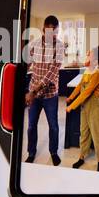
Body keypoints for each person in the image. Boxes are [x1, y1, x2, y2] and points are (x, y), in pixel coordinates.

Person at [24, 14, 63, 165]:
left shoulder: (59, 47)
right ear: (43, 30)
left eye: (55, 32)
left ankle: (53, 152)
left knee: (53, 125)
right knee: (31, 125)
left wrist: (32, 92)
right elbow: (27, 62)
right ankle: (31, 152)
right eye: (50, 32)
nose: (53, 36)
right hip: (33, 92)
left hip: (49, 95)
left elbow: (51, 73)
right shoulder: (34, 44)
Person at [68, 46, 99, 172]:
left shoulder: (96, 74)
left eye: (89, 54)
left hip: (95, 109)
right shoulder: (87, 71)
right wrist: (70, 98)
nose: (87, 54)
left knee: (97, 135)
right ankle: (82, 157)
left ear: (95, 61)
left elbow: (85, 93)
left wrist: (71, 106)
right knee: (84, 133)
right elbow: (79, 86)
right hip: (85, 108)